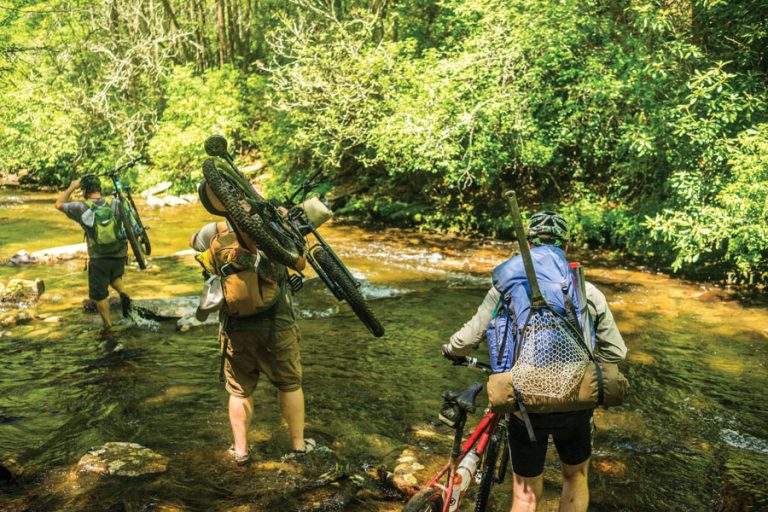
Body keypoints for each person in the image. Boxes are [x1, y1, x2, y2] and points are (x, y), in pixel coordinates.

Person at [442, 211, 627, 512]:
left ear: (527, 244)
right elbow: (617, 353)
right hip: (577, 403)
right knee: (575, 476)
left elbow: (468, 339)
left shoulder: (506, 289)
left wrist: (451, 349)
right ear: (565, 247)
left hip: (524, 405)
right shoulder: (587, 291)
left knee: (526, 495)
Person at [190, 221, 314, 466]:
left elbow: (193, 243)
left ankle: (241, 451)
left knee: (239, 390)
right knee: (289, 383)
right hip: (278, 323)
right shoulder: (273, 224)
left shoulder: (215, 230)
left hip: (236, 326)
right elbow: (300, 262)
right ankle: (298, 448)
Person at [55, 176, 131, 336]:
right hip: (119, 253)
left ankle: (108, 326)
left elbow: (59, 204)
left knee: (99, 293)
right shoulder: (114, 203)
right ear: (99, 189)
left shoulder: (81, 207)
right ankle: (124, 294)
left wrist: (71, 187)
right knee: (114, 277)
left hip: (99, 257)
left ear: (84, 191)